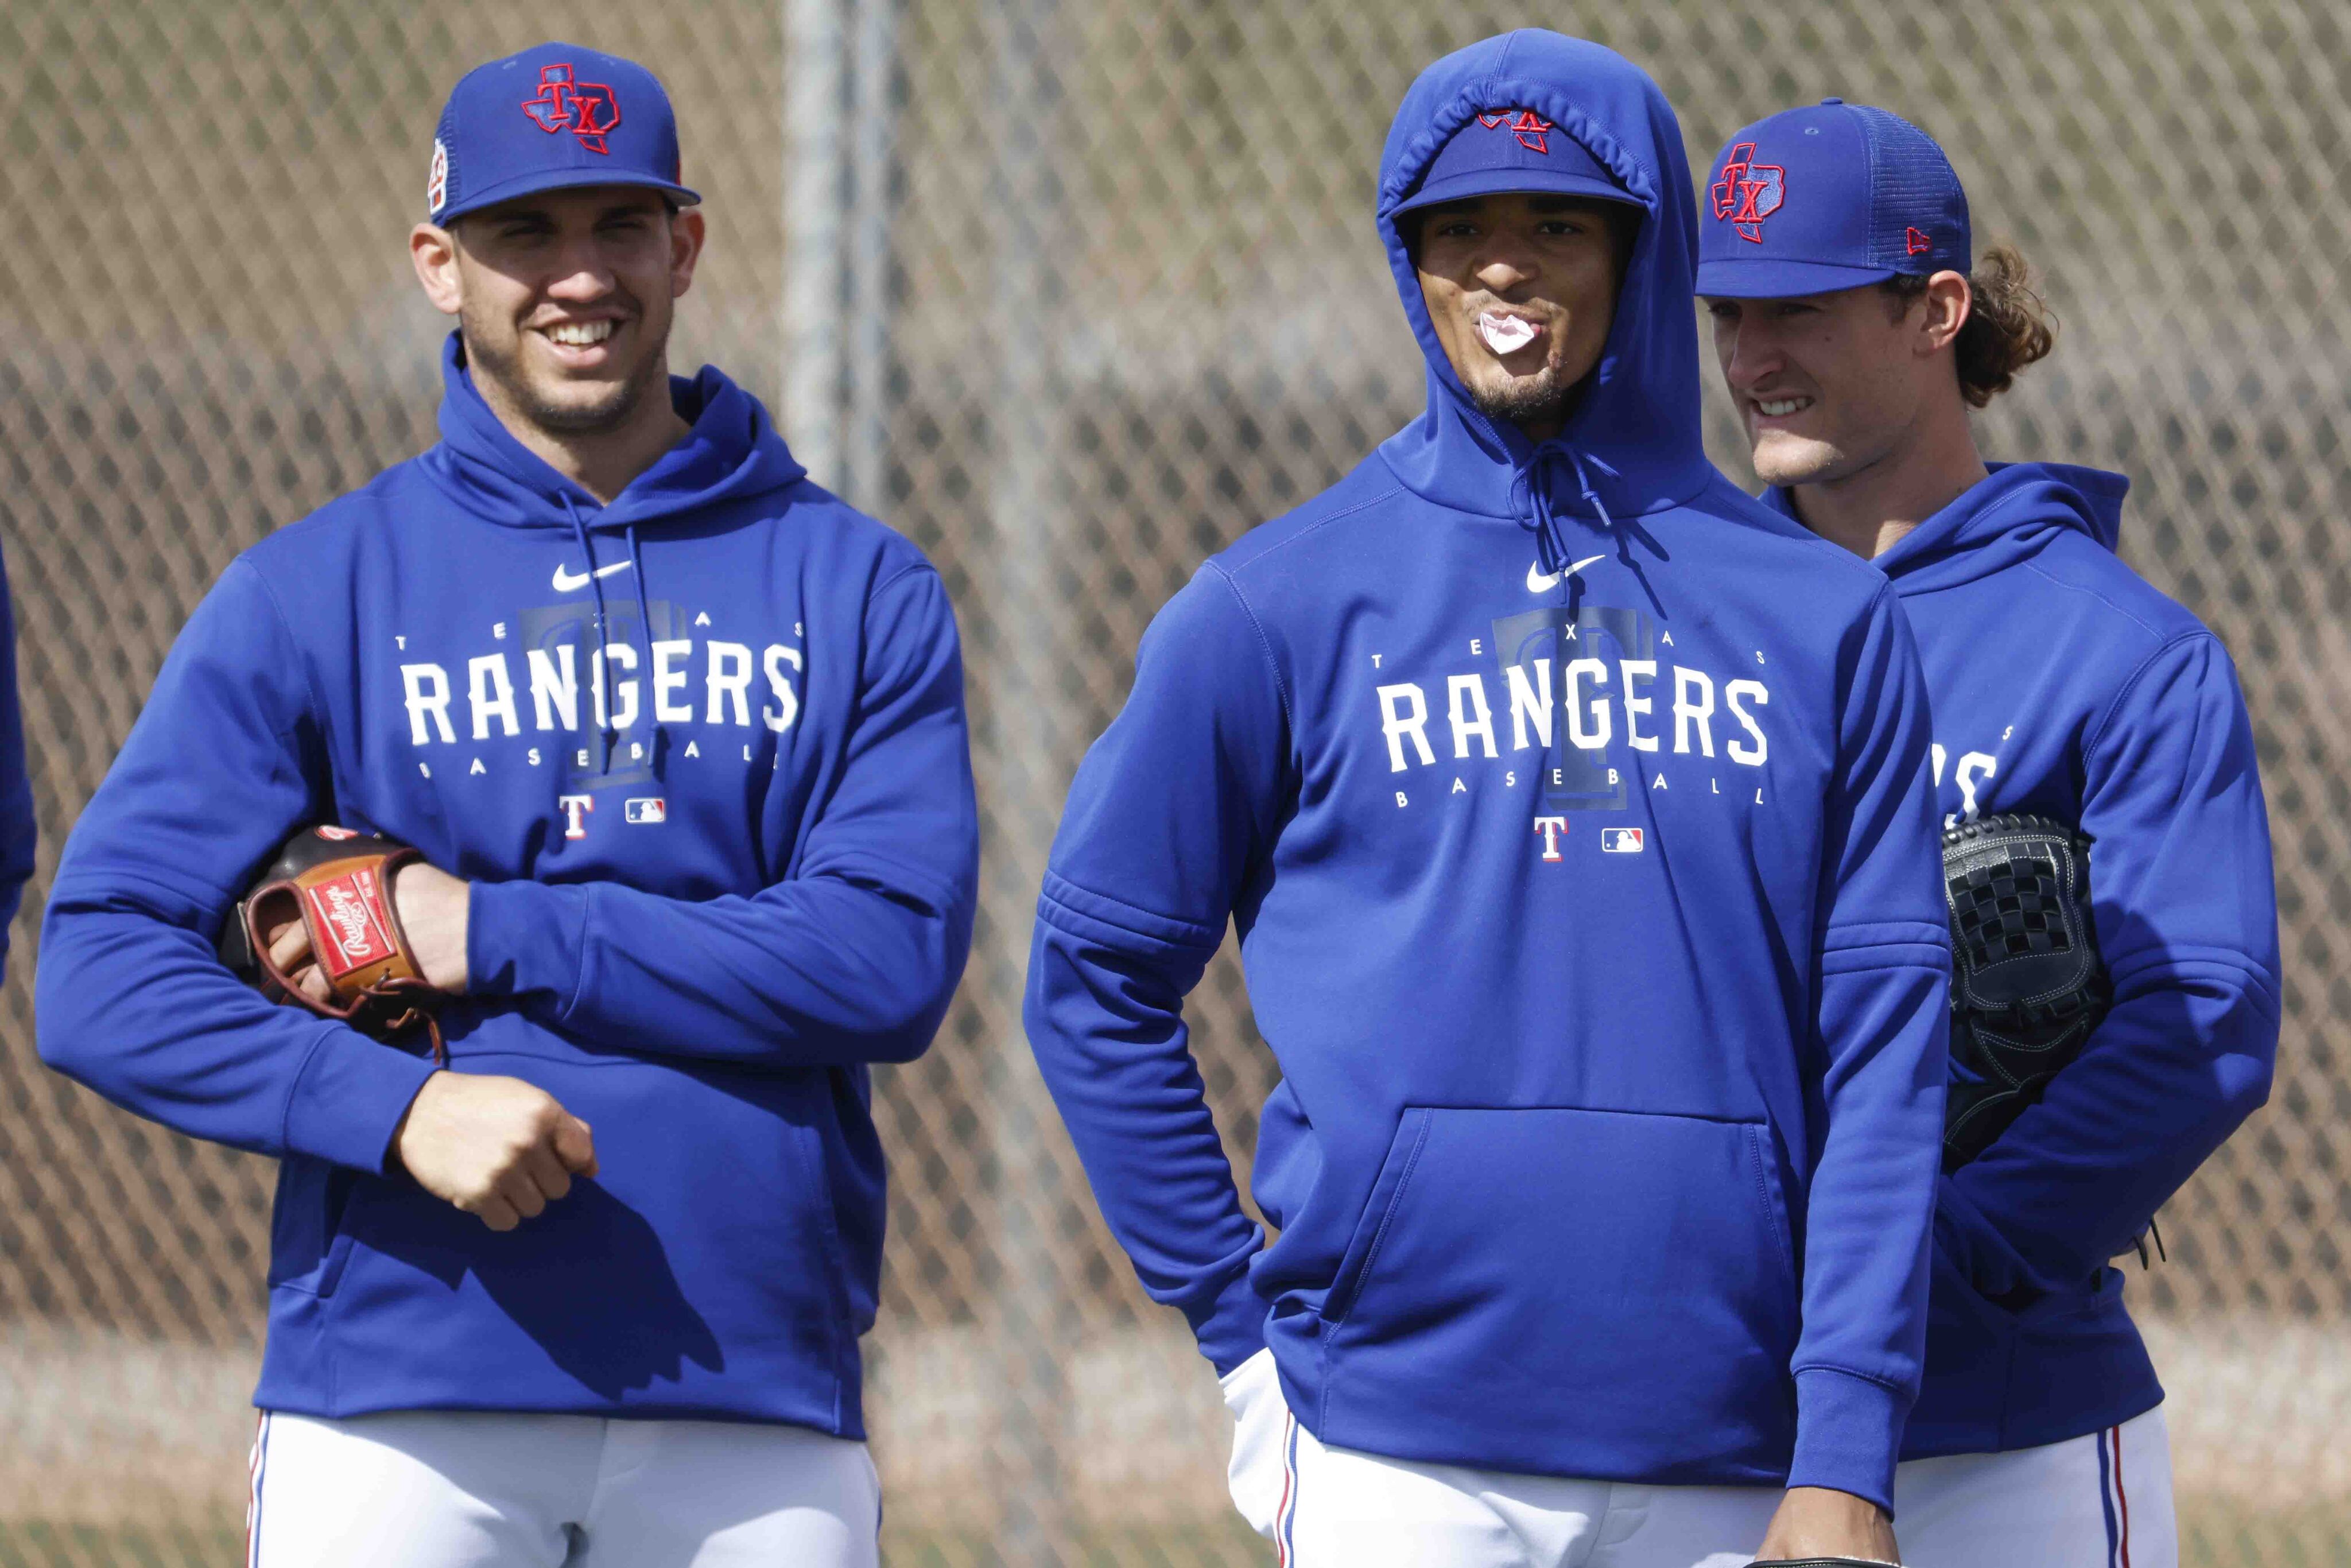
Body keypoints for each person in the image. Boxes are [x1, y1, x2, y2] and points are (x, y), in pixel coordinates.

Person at [36, 42, 976, 1568]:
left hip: (753, 1407)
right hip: (402, 1401)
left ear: (685, 244)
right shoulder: (312, 592)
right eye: (523, 232)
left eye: (618, 225)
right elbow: (97, 972)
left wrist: (488, 929)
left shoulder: (852, 582)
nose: (577, 276)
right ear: (438, 264)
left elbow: (886, 957)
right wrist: (396, 1109)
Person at [1024, 31, 1950, 1568]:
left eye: (1558, 227)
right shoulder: (1275, 604)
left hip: (1733, 1452)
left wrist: (1848, 1444)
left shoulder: (1823, 619)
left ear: (1642, 255)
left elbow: (1888, 1049)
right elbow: (1094, 975)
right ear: (1409, 258)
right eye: (1460, 230)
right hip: (1396, 1452)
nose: (1504, 268)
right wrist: (1241, 1342)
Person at [1699, 100, 2280, 1568]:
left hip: (2001, 1426)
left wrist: (1914, 1266)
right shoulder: (1681, 626)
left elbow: (2199, 1021)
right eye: (1727, 311)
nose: (1750, 355)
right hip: (1692, 1410)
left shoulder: (2113, 651)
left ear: (1933, 310)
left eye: (1800, 308)